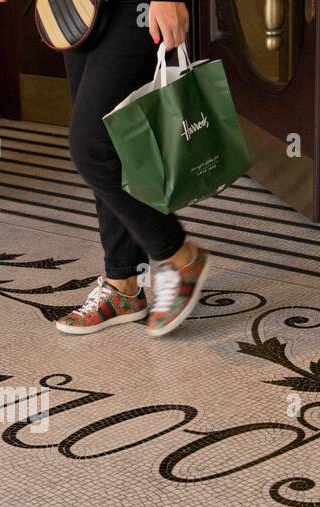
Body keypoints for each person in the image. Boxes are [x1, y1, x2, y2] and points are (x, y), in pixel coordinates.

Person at [55, 0, 212, 337]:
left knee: (92, 145)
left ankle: (177, 254)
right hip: (75, 7)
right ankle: (123, 282)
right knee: (112, 139)